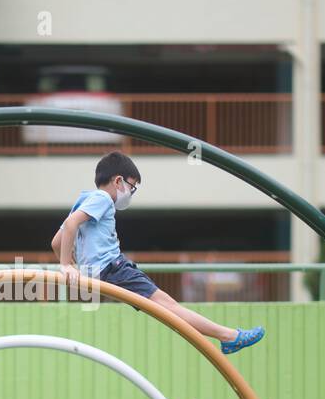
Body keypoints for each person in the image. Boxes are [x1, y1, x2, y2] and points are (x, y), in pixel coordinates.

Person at [51, 151, 266, 355]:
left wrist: (76, 265)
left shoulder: (83, 200)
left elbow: (56, 242)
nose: (131, 194)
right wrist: (67, 266)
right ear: (118, 181)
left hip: (99, 273)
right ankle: (228, 336)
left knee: (164, 308)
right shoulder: (103, 199)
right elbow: (71, 224)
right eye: (132, 187)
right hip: (114, 268)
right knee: (168, 305)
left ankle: (226, 336)